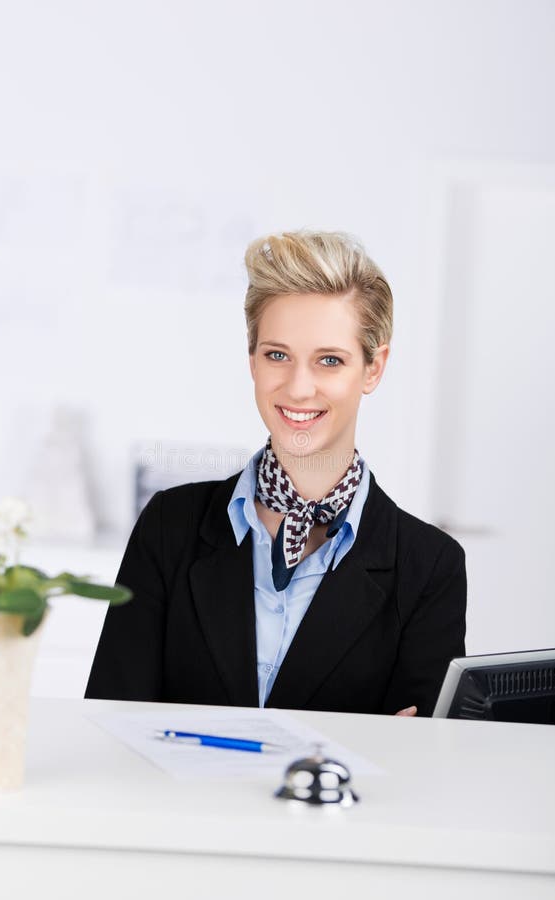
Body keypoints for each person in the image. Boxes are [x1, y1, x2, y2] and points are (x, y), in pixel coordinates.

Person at [85, 231, 466, 717]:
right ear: (252, 360)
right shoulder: (168, 526)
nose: (299, 387)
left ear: (373, 368)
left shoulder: (429, 567)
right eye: (277, 355)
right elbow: (110, 721)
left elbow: (421, 753)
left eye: (330, 360)